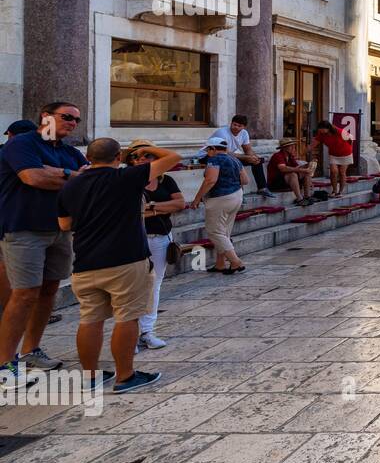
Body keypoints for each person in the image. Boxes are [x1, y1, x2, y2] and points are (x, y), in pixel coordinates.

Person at [57, 137, 180, 393]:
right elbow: (172, 158)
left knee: (90, 319)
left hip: (86, 261)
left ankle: (90, 376)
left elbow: (64, 225)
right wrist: (146, 150)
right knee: (127, 317)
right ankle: (125, 375)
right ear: (118, 158)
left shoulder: (71, 186)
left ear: (88, 158)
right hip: (125, 259)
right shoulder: (127, 178)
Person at [0, 103, 89, 379]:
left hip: (60, 229)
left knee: (49, 290)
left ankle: (31, 350)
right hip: (24, 228)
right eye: (67, 117)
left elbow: (88, 182)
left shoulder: (69, 151)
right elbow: (32, 177)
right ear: (46, 117)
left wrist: (57, 172)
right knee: (24, 294)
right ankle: (5, 364)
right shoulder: (22, 144)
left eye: (76, 120)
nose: (72, 123)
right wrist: (67, 174)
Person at [122, 140, 185, 351]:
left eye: (148, 155)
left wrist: (150, 207)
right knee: (130, 286)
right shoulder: (125, 179)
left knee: (154, 284)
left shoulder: (166, 180)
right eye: (137, 155)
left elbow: (179, 204)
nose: (142, 159)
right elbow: (129, 211)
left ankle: (147, 330)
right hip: (133, 237)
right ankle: (128, 335)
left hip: (160, 236)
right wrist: (161, 208)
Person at [188, 137, 248, 273]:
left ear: (213, 149)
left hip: (220, 199)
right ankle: (220, 263)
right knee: (224, 232)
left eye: (208, 150)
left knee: (215, 232)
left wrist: (197, 199)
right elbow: (245, 180)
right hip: (237, 196)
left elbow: (210, 180)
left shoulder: (214, 159)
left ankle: (235, 262)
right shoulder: (235, 159)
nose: (207, 153)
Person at [210, 115, 274, 199]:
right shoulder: (222, 133)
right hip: (212, 155)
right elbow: (225, 152)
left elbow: (248, 150)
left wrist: (253, 157)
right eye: (234, 124)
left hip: (228, 156)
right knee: (236, 162)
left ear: (244, 127)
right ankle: (239, 194)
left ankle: (262, 188)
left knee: (257, 161)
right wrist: (246, 157)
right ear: (231, 123)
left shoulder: (244, 133)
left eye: (239, 126)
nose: (236, 127)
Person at [267, 138, 317, 206]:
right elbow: (283, 169)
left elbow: (297, 167)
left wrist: (307, 166)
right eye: (291, 146)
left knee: (306, 172)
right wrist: (301, 170)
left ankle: (307, 197)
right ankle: (299, 199)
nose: (293, 147)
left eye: (293, 145)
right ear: (285, 148)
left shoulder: (290, 156)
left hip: (286, 181)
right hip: (275, 183)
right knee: (293, 175)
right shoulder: (278, 156)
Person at [310, 121, 353, 197]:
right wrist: (307, 150)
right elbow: (314, 143)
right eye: (320, 129)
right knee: (333, 172)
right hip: (333, 154)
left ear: (328, 128)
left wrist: (346, 148)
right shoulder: (321, 135)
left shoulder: (339, 131)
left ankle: (340, 192)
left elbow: (351, 139)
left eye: (322, 129)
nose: (320, 131)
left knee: (342, 172)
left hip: (346, 154)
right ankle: (334, 191)